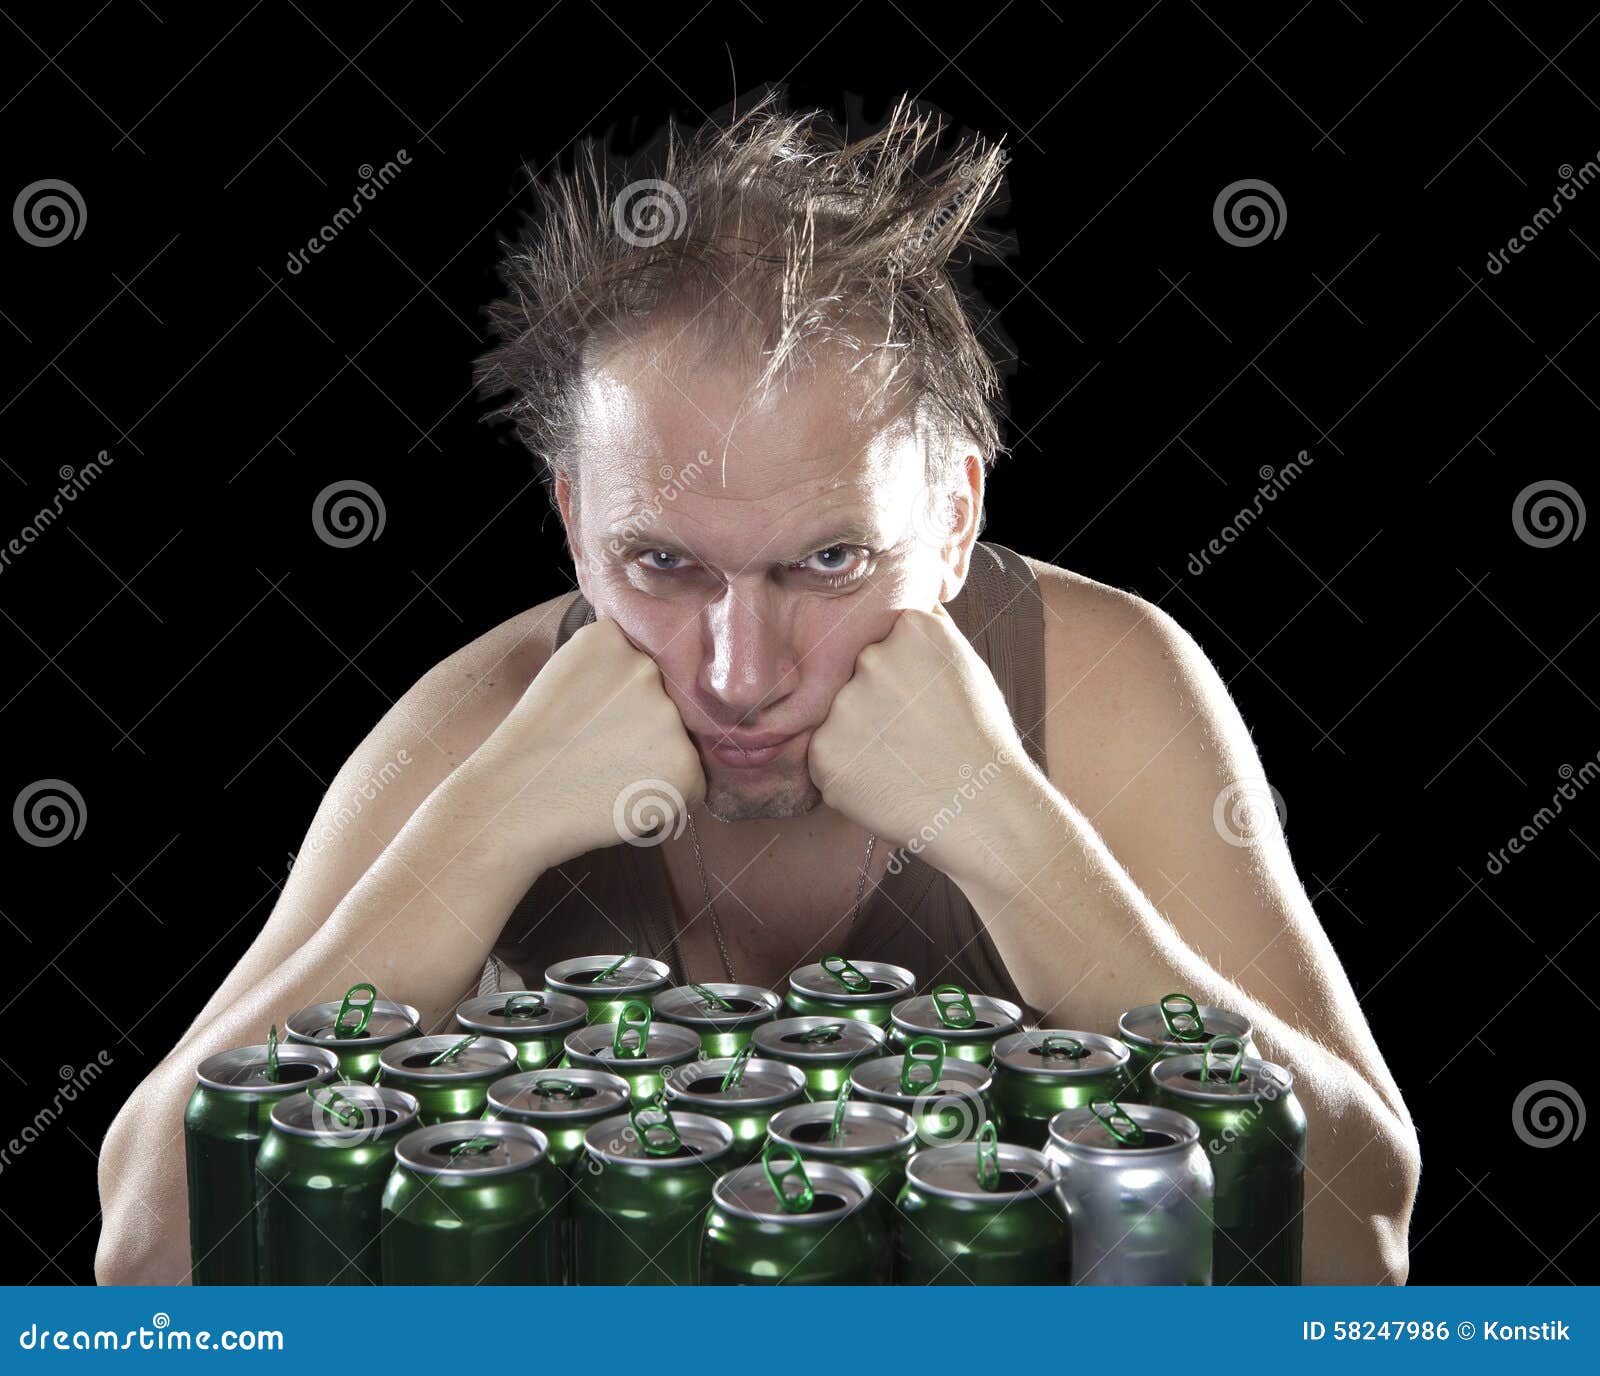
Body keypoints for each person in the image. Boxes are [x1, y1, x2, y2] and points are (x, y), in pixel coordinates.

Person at [95, 92, 1418, 1285]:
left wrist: (1007, 825)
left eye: (830, 561)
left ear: (955, 519)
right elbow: (145, 1248)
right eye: (663, 564)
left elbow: (1361, 1245)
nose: (741, 676)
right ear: (575, 525)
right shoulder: (474, 721)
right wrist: (483, 828)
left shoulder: (1106, 686)